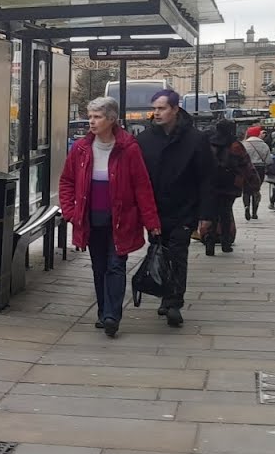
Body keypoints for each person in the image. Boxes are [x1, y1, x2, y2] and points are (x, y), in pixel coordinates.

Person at [60, 97, 160, 338]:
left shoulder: (128, 148)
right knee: (99, 267)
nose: (91, 121)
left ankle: (112, 316)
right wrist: (70, 212)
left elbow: (142, 186)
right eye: (90, 116)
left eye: (97, 117)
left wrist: (151, 222)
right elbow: (67, 182)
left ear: (112, 119)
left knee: (116, 266)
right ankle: (103, 311)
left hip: (121, 220)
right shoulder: (81, 148)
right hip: (91, 220)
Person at [135, 89, 215, 327]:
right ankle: (164, 292)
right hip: (154, 210)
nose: (156, 113)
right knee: (159, 251)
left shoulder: (196, 139)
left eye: (161, 108)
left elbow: (207, 179)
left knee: (178, 253)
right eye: (155, 108)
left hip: (183, 209)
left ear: (175, 109)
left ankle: (174, 302)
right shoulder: (145, 139)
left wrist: (206, 215)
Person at [205, 119, 257, 255]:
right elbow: (246, 164)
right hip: (231, 184)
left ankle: (209, 245)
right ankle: (226, 243)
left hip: (212, 184)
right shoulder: (235, 145)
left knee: (212, 214)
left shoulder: (209, 144)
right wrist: (252, 182)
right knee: (226, 213)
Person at [242, 125, 271, 220]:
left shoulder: (244, 144)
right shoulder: (264, 145)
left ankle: (246, 206)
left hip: (247, 168)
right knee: (256, 190)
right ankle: (254, 213)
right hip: (260, 169)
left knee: (246, 190)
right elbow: (268, 161)